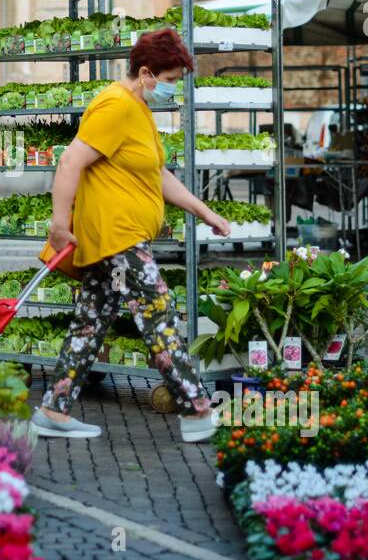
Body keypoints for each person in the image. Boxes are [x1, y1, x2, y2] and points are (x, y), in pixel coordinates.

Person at [32, 28, 231, 443]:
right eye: (171, 80)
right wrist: (58, 224)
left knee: (91, 321)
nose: (173, 89)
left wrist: (203, 211)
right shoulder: (115, 106)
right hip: (117, 239)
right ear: (146, 72)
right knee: (158, 311)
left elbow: (155, 173)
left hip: (115, 242)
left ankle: (54, 407)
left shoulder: (138, 107)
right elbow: (69, 161)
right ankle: (196, 410)